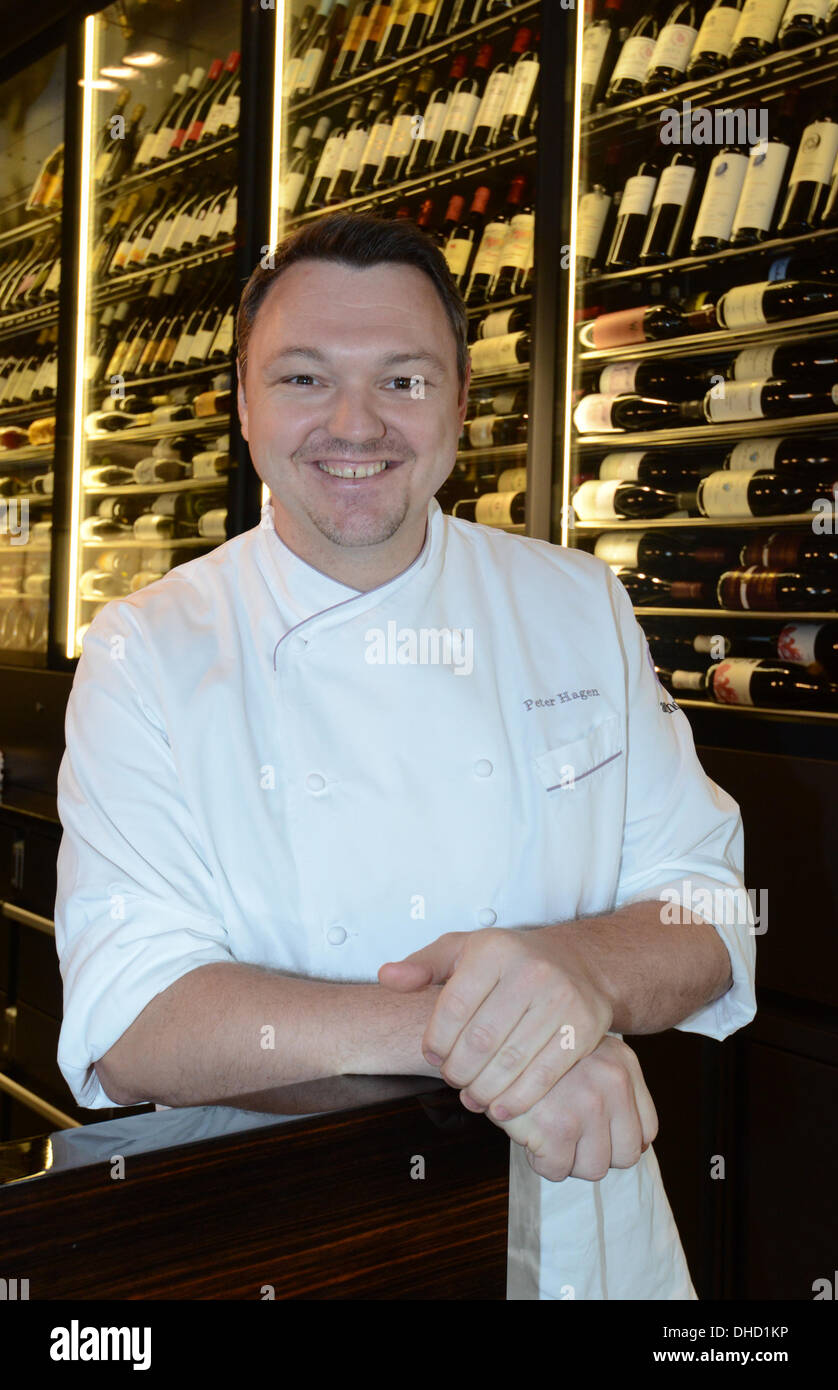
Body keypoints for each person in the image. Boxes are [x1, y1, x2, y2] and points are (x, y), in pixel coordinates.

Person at [54, 211, 757, 1300]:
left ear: (460, 405)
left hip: (574, 1212)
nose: (355, 423)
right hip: (290, 1229)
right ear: (242, 404)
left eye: (404, 380)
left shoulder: (573, 603)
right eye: (301, 379)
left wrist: (576, 974)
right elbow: (136, 1015)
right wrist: (514, 1040)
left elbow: (710, 915)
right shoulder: (149, 647)